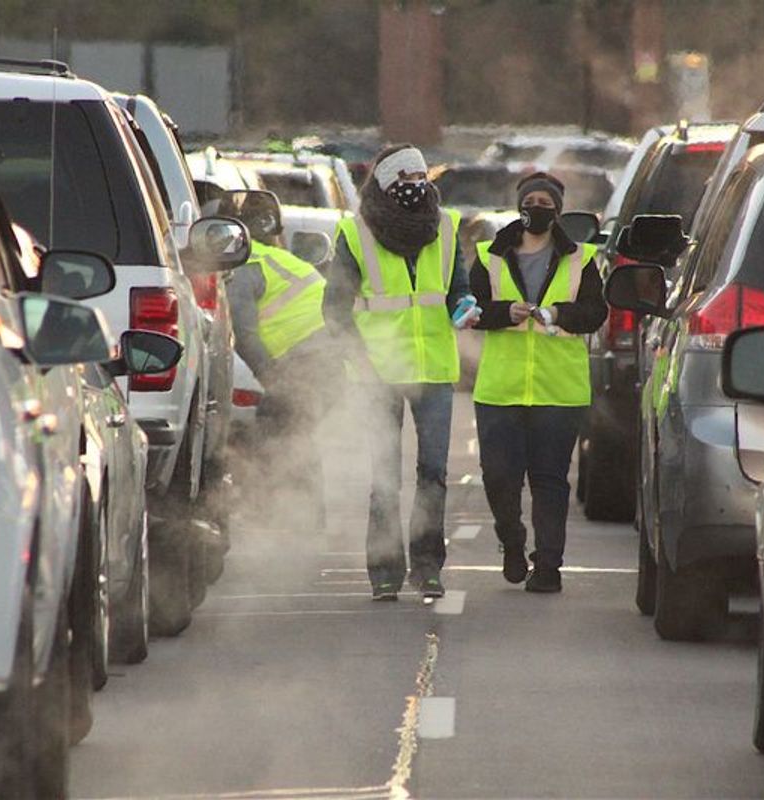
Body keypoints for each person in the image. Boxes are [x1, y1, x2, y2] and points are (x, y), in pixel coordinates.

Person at [323, 144, 472, 601]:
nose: (415, 186)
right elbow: (335, 309)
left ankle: (428, 568)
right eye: (405, 179)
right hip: (377, 373)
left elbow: (458, 289)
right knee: (384, 476)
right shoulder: (356, 233)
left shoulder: (445, 227)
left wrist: (465, 307)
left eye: (420, 177)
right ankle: (384, 571)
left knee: (433, 473)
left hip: (433, 370)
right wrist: (360, 359)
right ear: (386, 184)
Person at [470, 172, 607, 593]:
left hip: (558, 389)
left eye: (546, 204)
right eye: (530, 202)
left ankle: (548, 566)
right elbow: (471, 308)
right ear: (519, 206)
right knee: (499, 476)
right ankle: (512, 540)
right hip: (500, 388)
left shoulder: (580, 259)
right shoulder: (490, 255)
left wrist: (560, 314)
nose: (537, 209)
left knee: (549, 480)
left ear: (558, 211)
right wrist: (503, 313)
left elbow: (595, 313)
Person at [224, 190, 338, 533]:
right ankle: (302, 519)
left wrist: (269, 375)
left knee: (280, 429)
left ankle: (286, 519)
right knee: (293, 429)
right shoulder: (277, 258)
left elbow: (244, 332)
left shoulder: (245, 265)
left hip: (311, 356)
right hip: (329, 356)